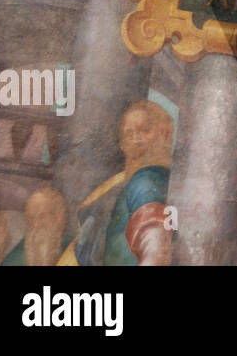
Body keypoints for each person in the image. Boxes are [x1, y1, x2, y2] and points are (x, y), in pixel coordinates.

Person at [57, 99, 174, 266]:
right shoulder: (118, 184)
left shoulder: (147, 179)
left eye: (145, 130)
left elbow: (154, 246)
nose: (136, 139)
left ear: (164, 133)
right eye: (129, 134)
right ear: (122, 144)